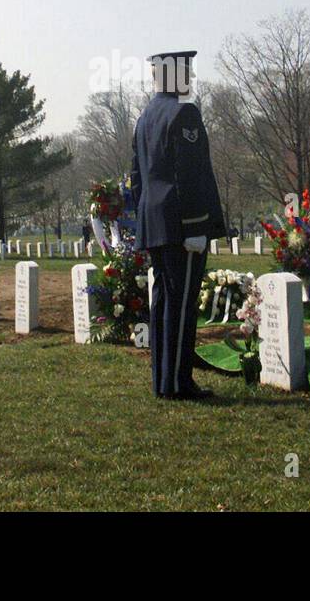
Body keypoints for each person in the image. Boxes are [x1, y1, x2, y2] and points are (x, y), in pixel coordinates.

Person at [130, 50, 225, 401]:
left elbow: (136, 177)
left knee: (163, 303)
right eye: (186, 71)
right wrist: (195, 224)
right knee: (181, 305)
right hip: (180, 224)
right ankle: (179, 384)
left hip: (155, 222)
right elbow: (190, 174)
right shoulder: (184, 112)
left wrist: (146, 216)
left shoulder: (145, 117)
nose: (190, 77)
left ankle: (163, 381)